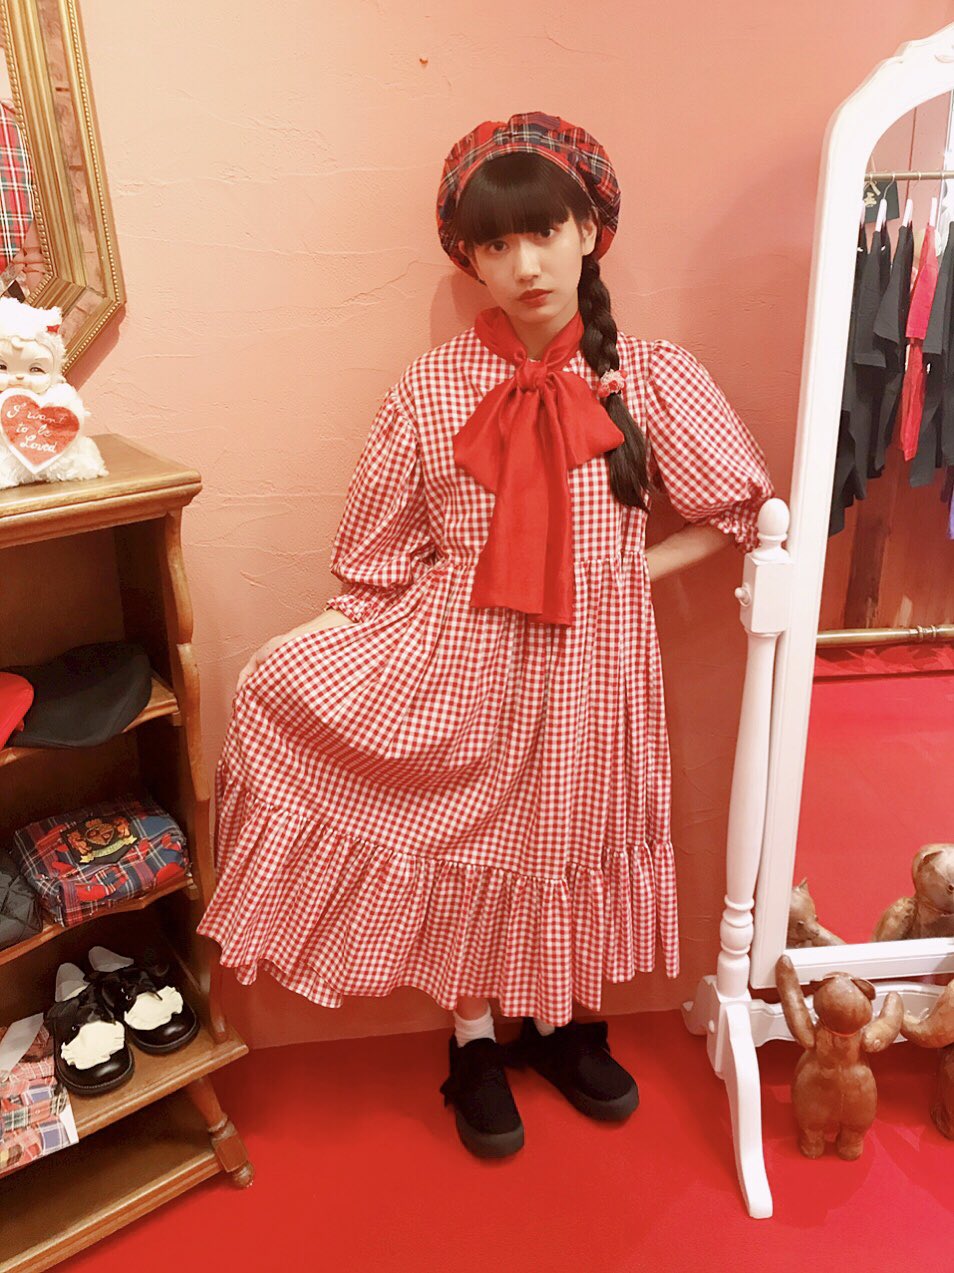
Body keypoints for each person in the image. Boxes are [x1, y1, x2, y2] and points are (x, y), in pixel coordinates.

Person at [198, 111, 774, 1160]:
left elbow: (742, 513)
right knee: (465, 843)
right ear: (468, 258)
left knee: (574, 836)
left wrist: (621, 576)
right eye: (496, 244)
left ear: (589, 231)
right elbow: (375, 560)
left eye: (544, 232)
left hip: (597, 671)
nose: (524, 265)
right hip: (463, 662)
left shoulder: (650, 375)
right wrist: (302, 656)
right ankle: (471, 1041)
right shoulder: (430, 389)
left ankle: (561, 1026)